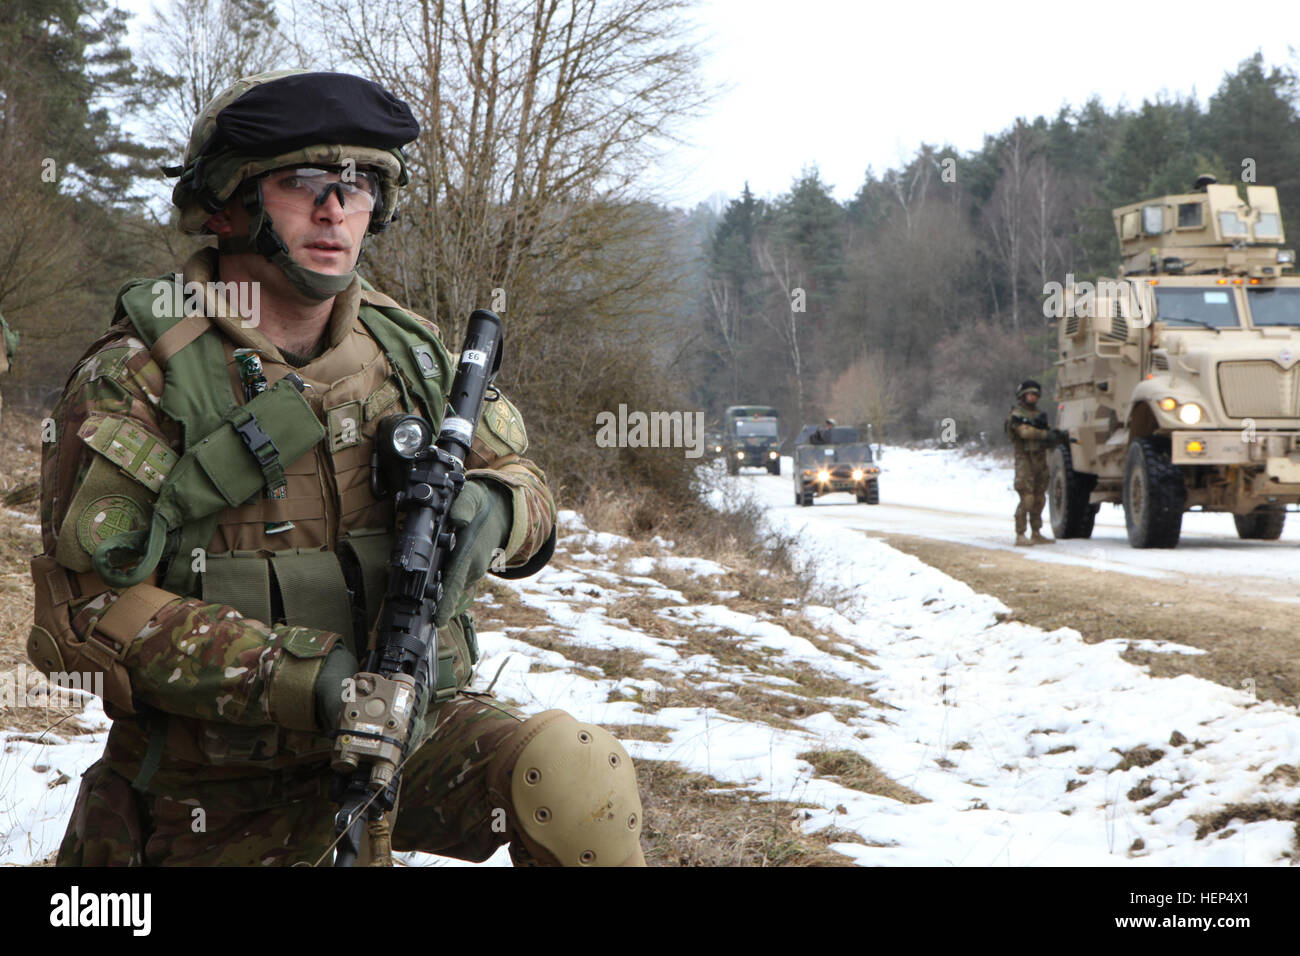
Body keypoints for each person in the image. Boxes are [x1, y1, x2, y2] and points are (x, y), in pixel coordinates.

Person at [32, 70, 644, 867]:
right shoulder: (140, 376)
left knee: (572, 777)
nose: (334, 210)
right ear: (228, 203)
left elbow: (528, 486)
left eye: (358, 187)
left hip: (415, 732)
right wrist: (307, 681)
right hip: (214, 787)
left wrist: (497, 509)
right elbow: (87, 615)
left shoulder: (409, 353)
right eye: (303, 183)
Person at [1005, 379, 1061, 547]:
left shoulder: (1039, 416)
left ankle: (1036, 532)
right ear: (1022, 396)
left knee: (1039, 498)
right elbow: (1024, 432)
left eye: (1035, 395)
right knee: (1027, 498)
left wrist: (1055, 437)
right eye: (1029, 394)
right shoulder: (1017, 415)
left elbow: (1047, 436)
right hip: (1025, 460)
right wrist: (1045, 435)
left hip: (1039, 459)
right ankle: (1020, 533)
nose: (1033, 397)